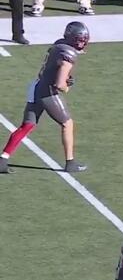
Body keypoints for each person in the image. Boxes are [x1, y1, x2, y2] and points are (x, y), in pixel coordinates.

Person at [0, 21, 88, 174]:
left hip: (37, 86)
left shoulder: (59, 44)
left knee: (27, 125)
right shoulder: (69, 54)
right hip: (48, 92)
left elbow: (54, 67)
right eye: (79, 39)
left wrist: (66, 77)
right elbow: (60, 84)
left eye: (83, 39)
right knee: (67, 124)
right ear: (71, 38)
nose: (82, 43)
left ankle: (2, 160)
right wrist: (67, 86)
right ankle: (70, 163)